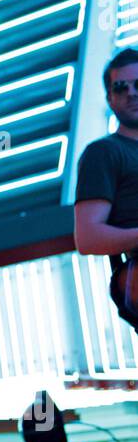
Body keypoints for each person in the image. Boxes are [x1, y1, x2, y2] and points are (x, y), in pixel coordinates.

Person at [74, 48, 138, 332]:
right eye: (121, 87)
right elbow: (88, 238)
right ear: (110, 98)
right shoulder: (104, 152)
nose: (132, 93)